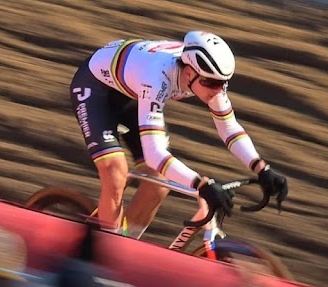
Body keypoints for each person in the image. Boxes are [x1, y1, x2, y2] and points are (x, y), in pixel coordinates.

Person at [69, 32, 289, 235]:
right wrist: (201, 185)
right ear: (190, 72)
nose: (217, 90)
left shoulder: (207, 77)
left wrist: (261, 168)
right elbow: (154, 153)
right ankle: (103, 255)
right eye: (211, 83)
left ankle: (125, 245)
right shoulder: (156, 78)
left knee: (159, 183)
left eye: (223, 84)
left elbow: (228, 128)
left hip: (131, 92)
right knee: (115, 173)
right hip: (95, 89)